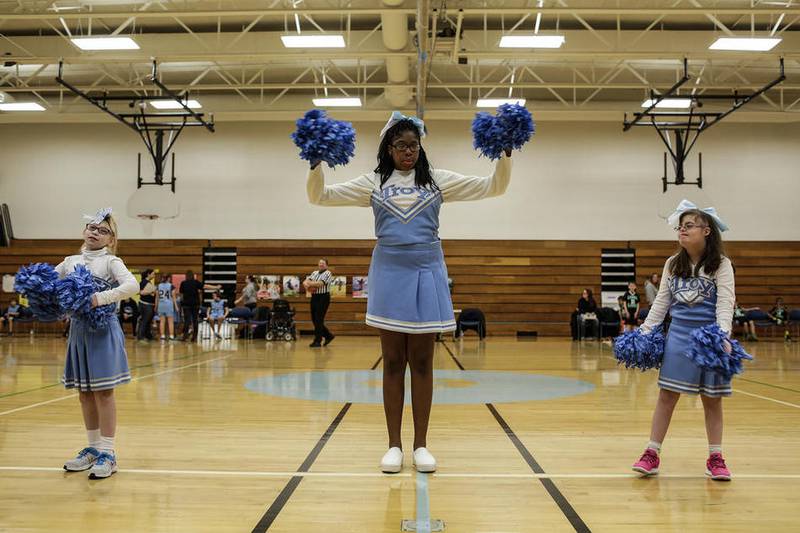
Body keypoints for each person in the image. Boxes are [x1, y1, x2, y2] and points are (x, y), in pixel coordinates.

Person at [306, 111, 513, 474]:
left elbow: (494, 187)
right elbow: (320, 197)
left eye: (413, 145)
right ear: (388, 147)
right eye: (401, 145)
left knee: (422, 361)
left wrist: (505, 153)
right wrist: (315, 164)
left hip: (427, 270)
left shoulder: (437, 181)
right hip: (388, 271)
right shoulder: (373, 183)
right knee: (392, 362)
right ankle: (393, 446)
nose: (408, 151)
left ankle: (420, 445)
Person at [631, 202, 736, 481]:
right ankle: (651, 453)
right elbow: (661, 303)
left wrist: (722, 336)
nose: (682, 229)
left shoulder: (721, 264)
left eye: (689, 225)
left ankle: (716, 457)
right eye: (681, 225)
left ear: (707, 230)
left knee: (712, 399)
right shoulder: (672, 263)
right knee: (667, 396)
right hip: (677, 335)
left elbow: (725, 303)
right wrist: (644, 333)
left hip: (708, 339)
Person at [59, 208, 138, 479]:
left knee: (104, 392)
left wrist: (99, 298)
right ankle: (92, 449)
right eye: (91, 227)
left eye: (102, 230)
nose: (95, 232)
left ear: (111, 239)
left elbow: (132, 286)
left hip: (103, 331)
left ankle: (109, 452)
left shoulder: (111, 262)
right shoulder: (69, 261)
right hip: (78, 332)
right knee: (84, 392)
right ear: (84, 231)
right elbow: (49, 286)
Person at [303, 258, 335, 347]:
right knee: (314, 319)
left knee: (318, 319)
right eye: (320, 263)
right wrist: (308, 286)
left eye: (323, 263)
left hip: (323, 297)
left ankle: (317, 340)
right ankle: (328, 335)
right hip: (314, 297)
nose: (321, 265)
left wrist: (310, 283)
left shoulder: (328, 273)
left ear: (326, 265)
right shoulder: (314, 273)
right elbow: (304, 282)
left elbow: (320, 284)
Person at [179, 270, 204, 342]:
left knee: (187, 320)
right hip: (195, 304)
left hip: (186, 304)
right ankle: (194, 337)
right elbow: (204, 286)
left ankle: (185, 336)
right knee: (195, 320)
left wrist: (182, 303)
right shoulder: (196, 282)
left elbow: (181, 294)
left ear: (186, 276)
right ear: (193, 275)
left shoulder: (183, 283)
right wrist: (215, 287)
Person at [136, 269, 156, 341]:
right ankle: (141, 336)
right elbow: (140, 292)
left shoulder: (147, 282)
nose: (154, 275)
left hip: (147, 305)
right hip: (146, 305)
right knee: (145, 321)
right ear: (148, 274)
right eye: (153, 274)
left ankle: (148, 335)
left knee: (147, 321)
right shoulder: (144, 282)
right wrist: (152, 291)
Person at [156, 273, 177, 341]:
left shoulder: (158, 286)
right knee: (170, 321)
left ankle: (162, 335)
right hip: (169, 305)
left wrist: (156, 306)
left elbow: (157, 298)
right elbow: (174, 297)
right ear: (169, 278)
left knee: (162, 321)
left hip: (161, 305)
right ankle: (171, 336)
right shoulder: (171, 286)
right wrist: (176, 306)